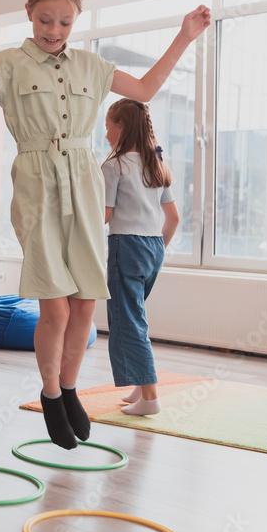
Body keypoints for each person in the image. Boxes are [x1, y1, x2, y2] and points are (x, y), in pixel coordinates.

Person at [0, 0, 210, 448]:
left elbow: (145, 90)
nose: (54, 31)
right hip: (37, 182)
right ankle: (48, 395)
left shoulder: (93, 66)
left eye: (65, 22)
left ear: (77, 18)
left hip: (84, 180)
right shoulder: (5, 63)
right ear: (29, 13)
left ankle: (68, 389)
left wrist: (184, 36)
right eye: (45, 20)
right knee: (56, 310)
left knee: (87, 302)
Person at [101, 99, 180, 416]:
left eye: (108, 127)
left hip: (126, 247)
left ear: (121, 127)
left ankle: (150, 398)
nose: (106, 135)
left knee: (130, 324)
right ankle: (139, 385)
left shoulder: (113, 165)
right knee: (134, 318)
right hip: (153, 249)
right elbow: (173, 219)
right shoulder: (155, 163)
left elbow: (103, 217)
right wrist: (157, 248)